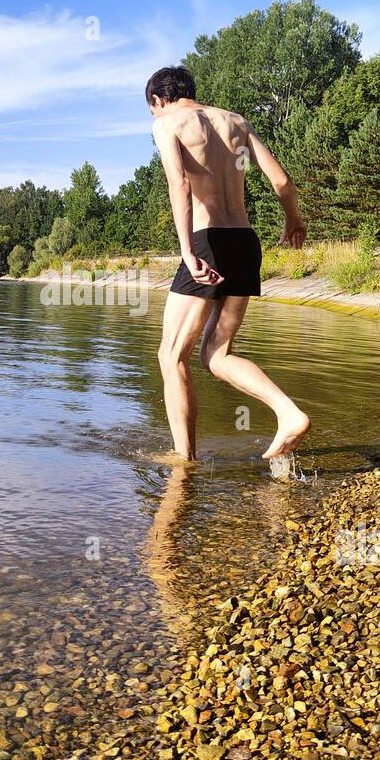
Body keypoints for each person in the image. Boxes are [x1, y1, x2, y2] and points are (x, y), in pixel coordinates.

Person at [148, 64, 311, 462]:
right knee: (216, 355)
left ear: (158, 100)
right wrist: (294, 220)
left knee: (171, 356)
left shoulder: (168, 124)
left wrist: (187, 251)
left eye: (152, 109)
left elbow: (180, 184)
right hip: (244, 242)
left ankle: (184, 462)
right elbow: (282, 181)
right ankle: (288, 412)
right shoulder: (237, 122)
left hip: (207, 242)